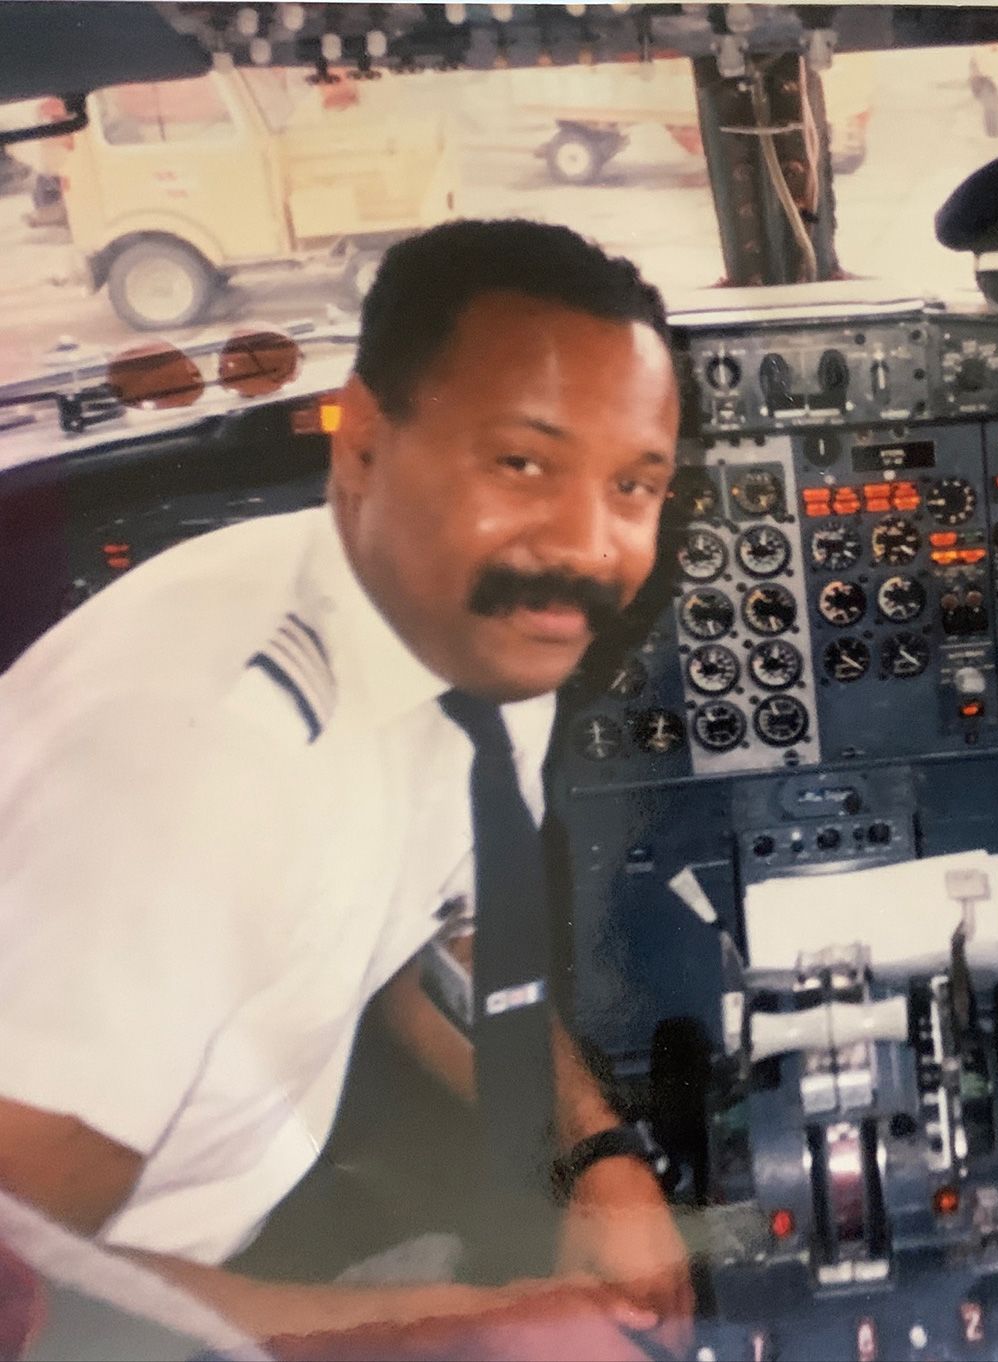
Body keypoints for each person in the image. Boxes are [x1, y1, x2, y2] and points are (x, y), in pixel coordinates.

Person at [0, 218, 694, 1351]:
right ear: (363, 442)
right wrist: (461, 1332)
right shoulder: (194, 774)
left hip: (237, 1228)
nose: (587, 540)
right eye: (522, 463)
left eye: (633, 484)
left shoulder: (476, 620)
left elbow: (433, 931)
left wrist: (592, 1156)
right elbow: (19, 1294)